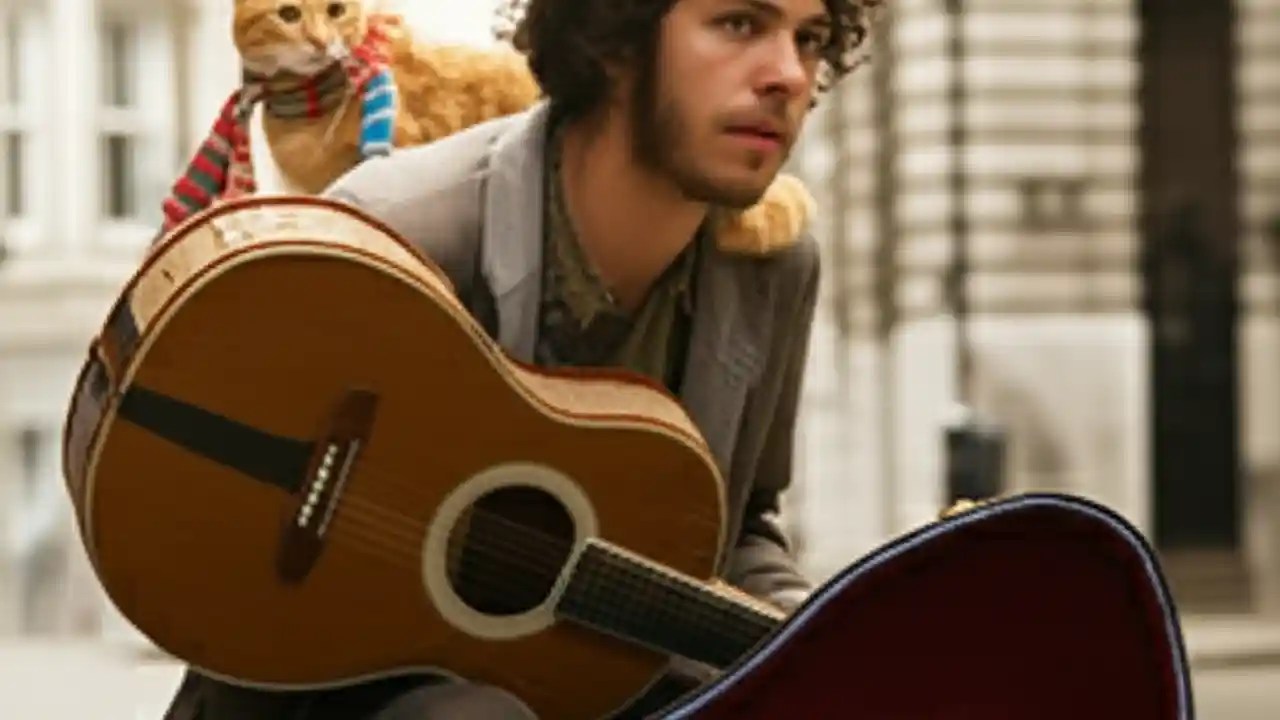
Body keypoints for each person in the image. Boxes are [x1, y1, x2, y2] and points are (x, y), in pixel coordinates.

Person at [161, 0, 880, 717]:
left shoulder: (771, 267)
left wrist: (825, 643)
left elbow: (739, 525)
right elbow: (208, 499)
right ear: (615, 39)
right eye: (740, 25)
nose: (788, 74)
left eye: (810, 38)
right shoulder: (404, 229)